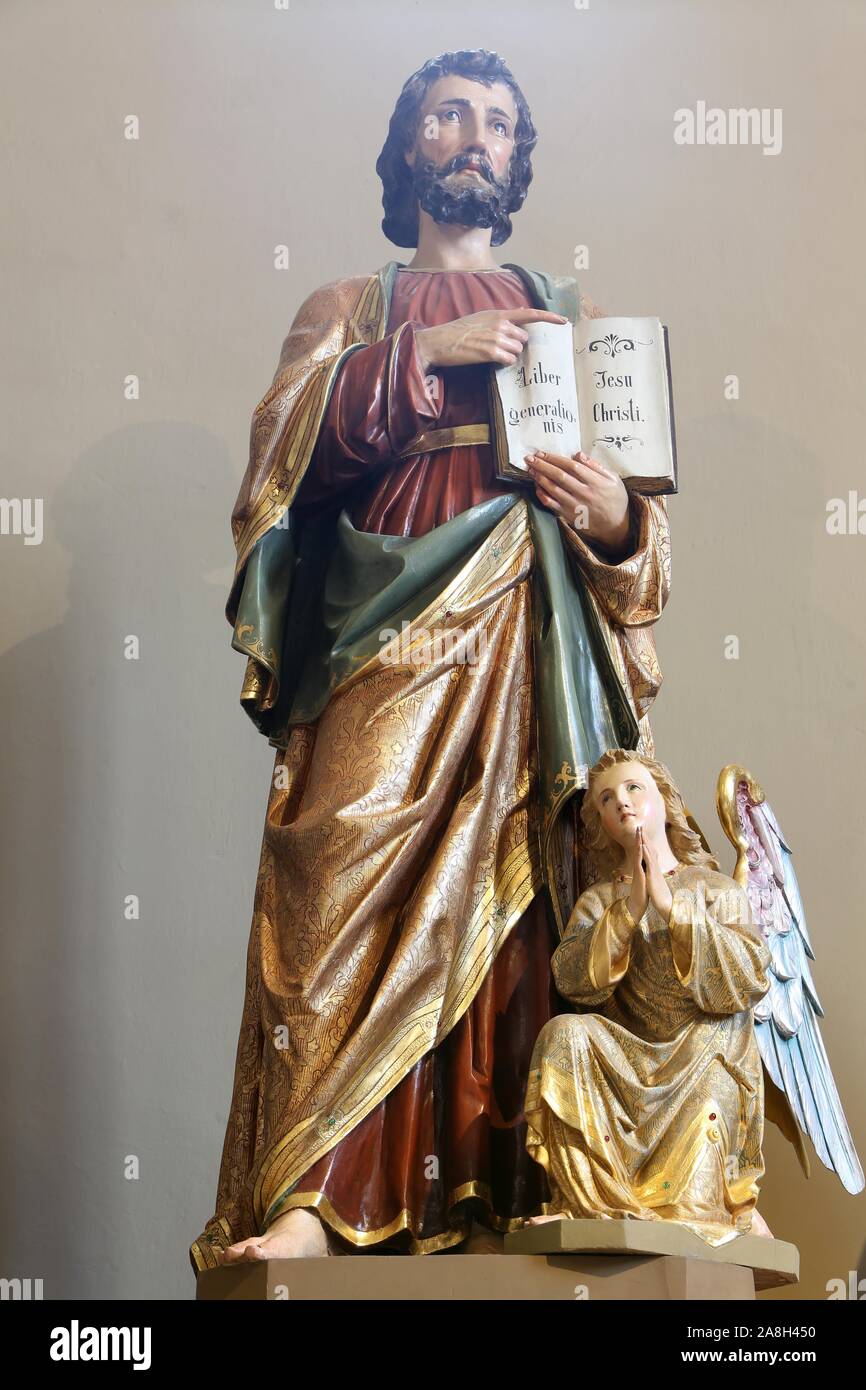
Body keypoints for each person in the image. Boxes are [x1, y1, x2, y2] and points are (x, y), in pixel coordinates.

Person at [190, 48, 672, 1272]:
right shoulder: (346, 306)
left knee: (523, 904)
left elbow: (644, 554)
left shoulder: (571, 312)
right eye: (448, 115)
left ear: (514, 161)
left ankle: (517, 1190)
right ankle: (309, 1194)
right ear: (406, 147)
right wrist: (433, 354)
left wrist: (610, 513)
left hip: (529, 628)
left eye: (497, 123)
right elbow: (278, 459)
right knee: (340, 899)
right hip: (382, 629)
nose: (473, 136)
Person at [522, 749, 774, 1246]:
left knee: (715, 1050)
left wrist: (670, 906)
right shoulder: (598, 901)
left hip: (701, 1060)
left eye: (635, 788)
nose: (622, 802)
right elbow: (573, 981)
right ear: (599, 822)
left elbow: (747, 979)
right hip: (626, 1061)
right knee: (564, 1034)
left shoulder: (716, 888)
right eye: (606, 799)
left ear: (663, 798)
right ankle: (587, 1204)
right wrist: (630, 909)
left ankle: (700, 1206)